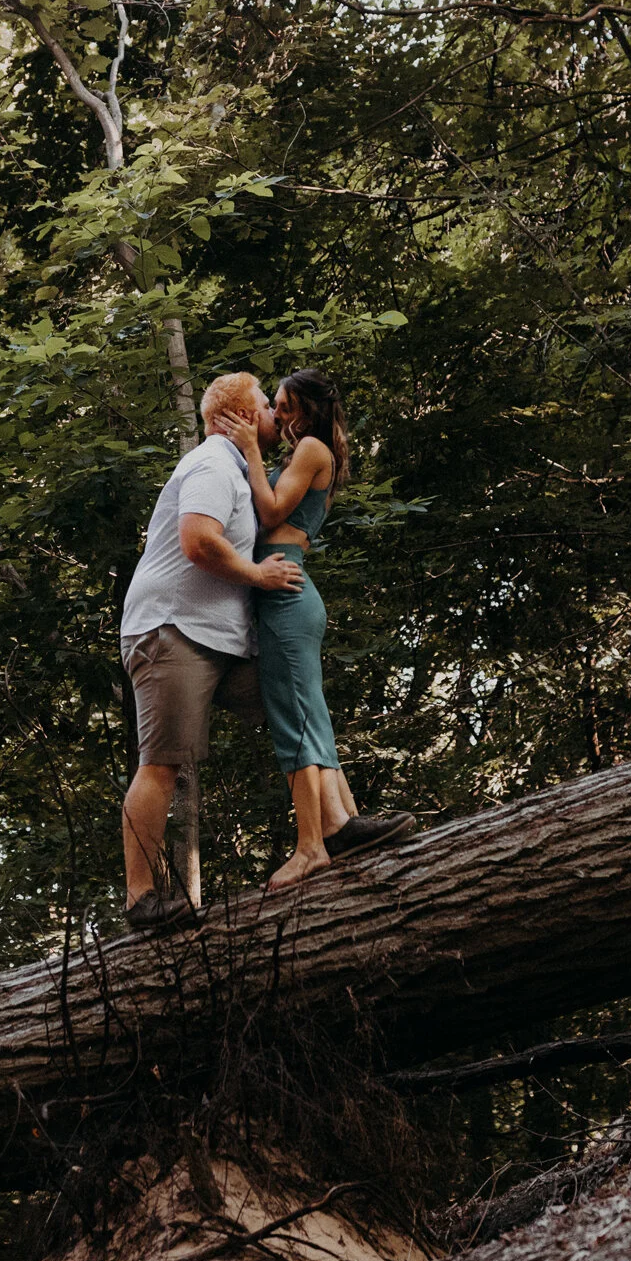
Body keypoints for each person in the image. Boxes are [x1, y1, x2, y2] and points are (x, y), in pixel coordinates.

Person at [214, 367, 418, 887]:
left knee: (295, 717)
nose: (275, 413)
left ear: (306, 407)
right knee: (306, 711)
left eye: (282, 404)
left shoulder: (311, 450)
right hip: (281, 587)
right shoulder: (304, 452)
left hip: (286, 589)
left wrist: (251, 454)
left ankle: (311, 848)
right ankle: (343, 824)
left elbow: (273, 509)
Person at [117, 372, 306, 930]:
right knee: (162, 763)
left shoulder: (241, 471)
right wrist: (258, 575)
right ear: (243, 417)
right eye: (268, 408)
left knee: (297, 710)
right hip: (173, 631)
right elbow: (197, 540)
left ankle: (334, 826)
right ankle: (140, 901)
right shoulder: (212, 463)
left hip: (222, 641)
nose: (277, 416)